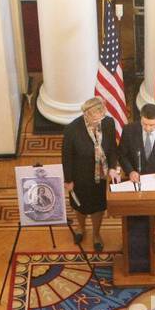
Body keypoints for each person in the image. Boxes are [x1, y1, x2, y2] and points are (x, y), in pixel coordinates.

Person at [61, 98, 121, 251]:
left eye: (100, 118)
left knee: (98, 207)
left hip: (101, 176)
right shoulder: (72, 130)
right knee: (80, 207)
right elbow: (66, 157)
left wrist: (113, 167)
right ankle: (81, 229)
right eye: (95, 119)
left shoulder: (108, 123)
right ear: (86, 115)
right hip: (80, 177)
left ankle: (96, 234)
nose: (98, 122)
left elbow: (113, 148)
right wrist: (68, 180)